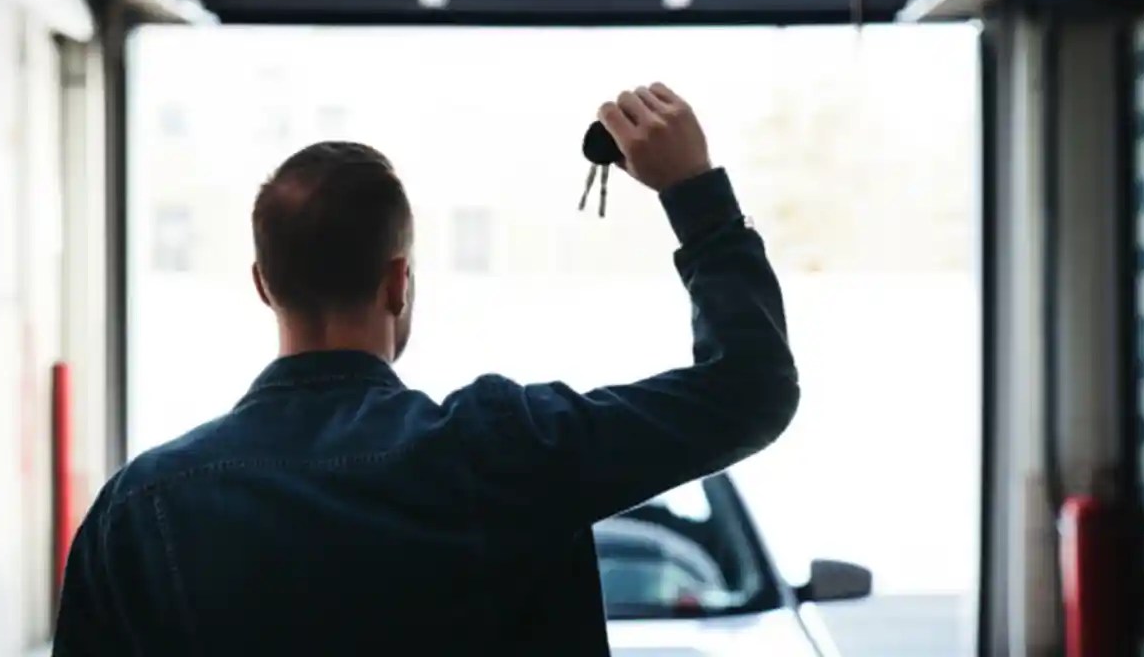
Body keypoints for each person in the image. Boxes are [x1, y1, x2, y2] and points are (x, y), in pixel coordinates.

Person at [53, 83, 799, 655]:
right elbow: (751, 390)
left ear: (263, 284)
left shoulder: (141, 510)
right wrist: (694, 192)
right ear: (398, 281)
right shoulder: (505, 451)